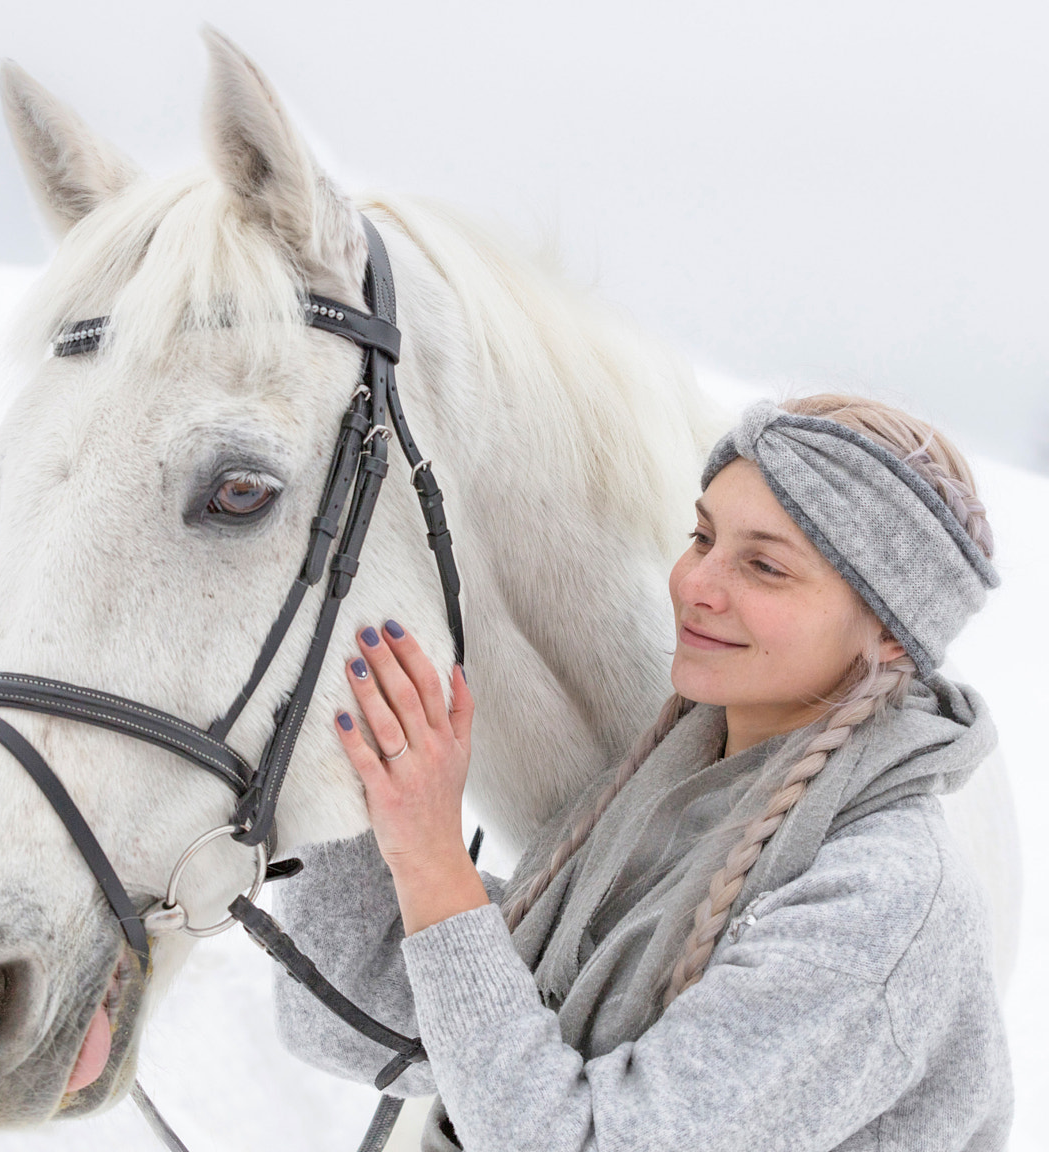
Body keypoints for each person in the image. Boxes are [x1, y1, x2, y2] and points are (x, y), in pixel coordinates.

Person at [279, 395, 1011, 1150]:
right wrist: (348, 757)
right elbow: (382, 1024)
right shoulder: (668, 794)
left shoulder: (882, 906)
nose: (696, 583)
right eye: (703, 537)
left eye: (764, 565)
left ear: (891, 633)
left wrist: (432, 859)